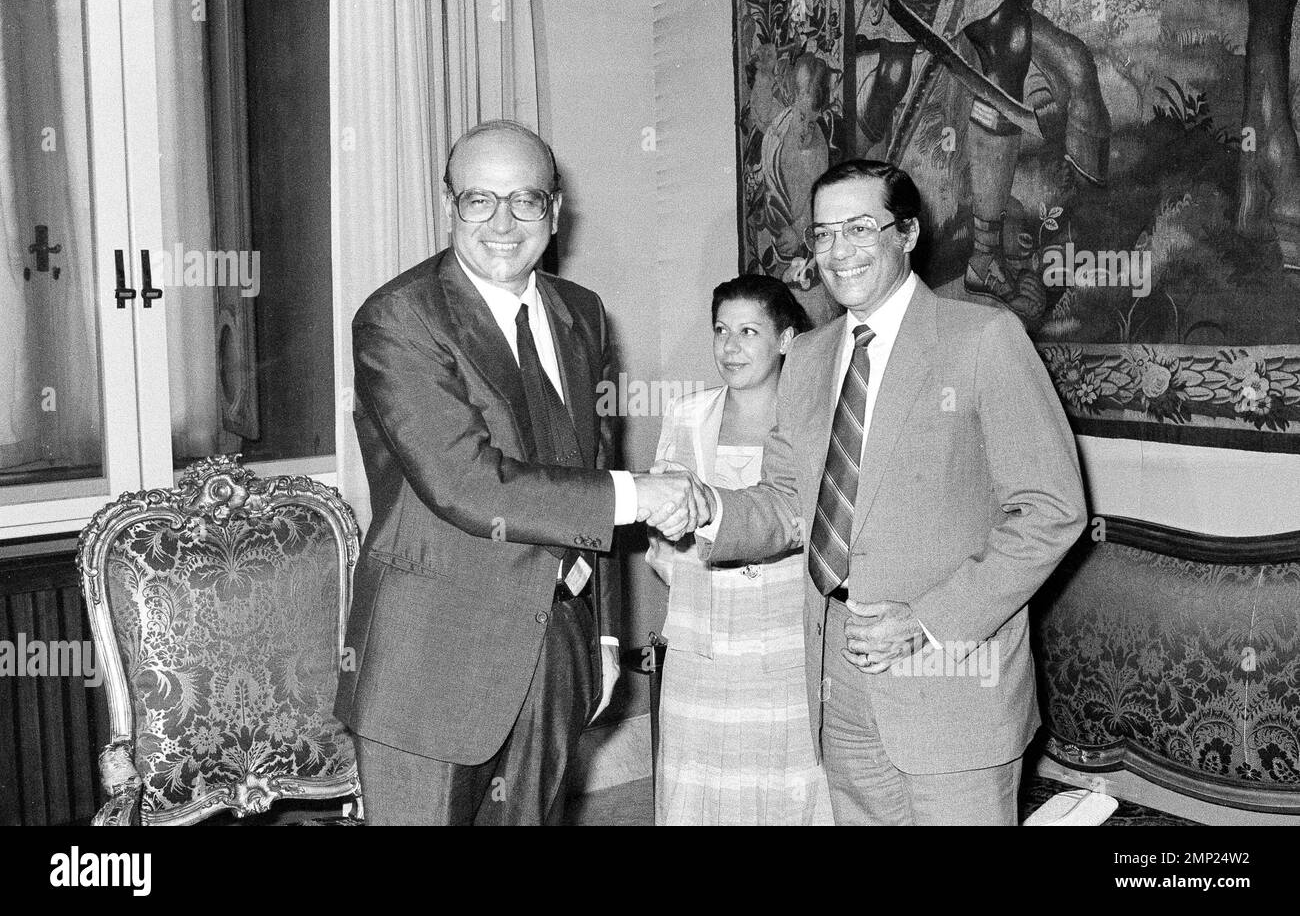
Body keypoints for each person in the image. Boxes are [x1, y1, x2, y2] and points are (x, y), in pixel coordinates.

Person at [658, 158, 1086, 825]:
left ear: (907, 233)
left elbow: (1053, 512)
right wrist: (707, 507)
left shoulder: (983, 339)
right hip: (838, 682)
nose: (837, 251)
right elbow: (787, 503)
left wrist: (927, 622)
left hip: (950, 682)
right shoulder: (806, 358)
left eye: (859, 228)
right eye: (823, 235)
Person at [335, 119, 709, 825]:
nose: (502, 223)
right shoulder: (398, 319)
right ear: (449, 206)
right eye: (479, 200)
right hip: (430, 664)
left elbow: (593, 466)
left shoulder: (583, 315)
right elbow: (466, 485)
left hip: (556, 653)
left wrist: (600, 637)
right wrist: (642, 496)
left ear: (555, 210)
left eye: (525, 200)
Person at [646, 275, 832, 825]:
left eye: (749, 331)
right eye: (721, 330)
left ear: (786, 341)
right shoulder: (687, 414)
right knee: (699, 775)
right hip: (701, 631)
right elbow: (661, 534)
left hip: (786, 631)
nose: (730, 346)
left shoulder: (815, 421)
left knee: (787, 773)